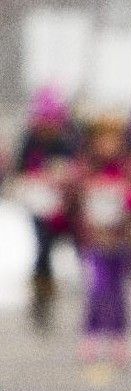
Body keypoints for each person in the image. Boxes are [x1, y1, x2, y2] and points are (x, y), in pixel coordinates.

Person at [69, 115, 131, 365]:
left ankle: (118, 337)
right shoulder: (85, 168)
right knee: (97, 289)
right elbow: (72, 200)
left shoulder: (129, 168)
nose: (107, 146)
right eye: (102, 140)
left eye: (112, 140)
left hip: (121, 240)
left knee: (118, 292)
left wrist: (128, 195)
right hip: (94, 240)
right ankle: (91, 334)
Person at [9, 87, 79, 330]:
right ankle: (42, 295)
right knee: (43, 248)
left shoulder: (68, 139)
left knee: (77, 242)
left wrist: (63, 178)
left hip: (65, 205)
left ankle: (91, 288)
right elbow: (18, 172)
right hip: (39, 204)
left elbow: (77, 169)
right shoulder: (30, 140)